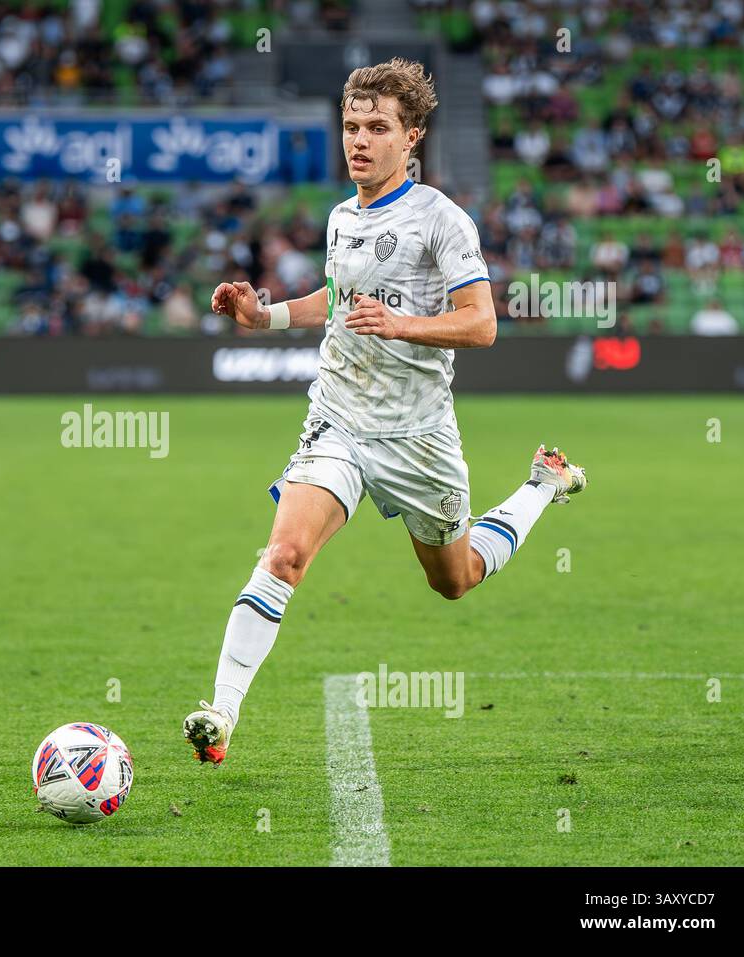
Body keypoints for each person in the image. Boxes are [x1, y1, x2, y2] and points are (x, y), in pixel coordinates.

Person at [184, 59, 588, 765]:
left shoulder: (443, 220)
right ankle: (221, 712)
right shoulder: (344, 216)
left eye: (377, 127)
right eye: (350, 126)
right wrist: (264, 315)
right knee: (283, 554)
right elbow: (337, 301)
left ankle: (540, 487)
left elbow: (482, 323)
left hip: (419, 434)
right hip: (338, 416)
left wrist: (402, 324)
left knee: (453, 578)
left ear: (414, 138)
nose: (359, 141)